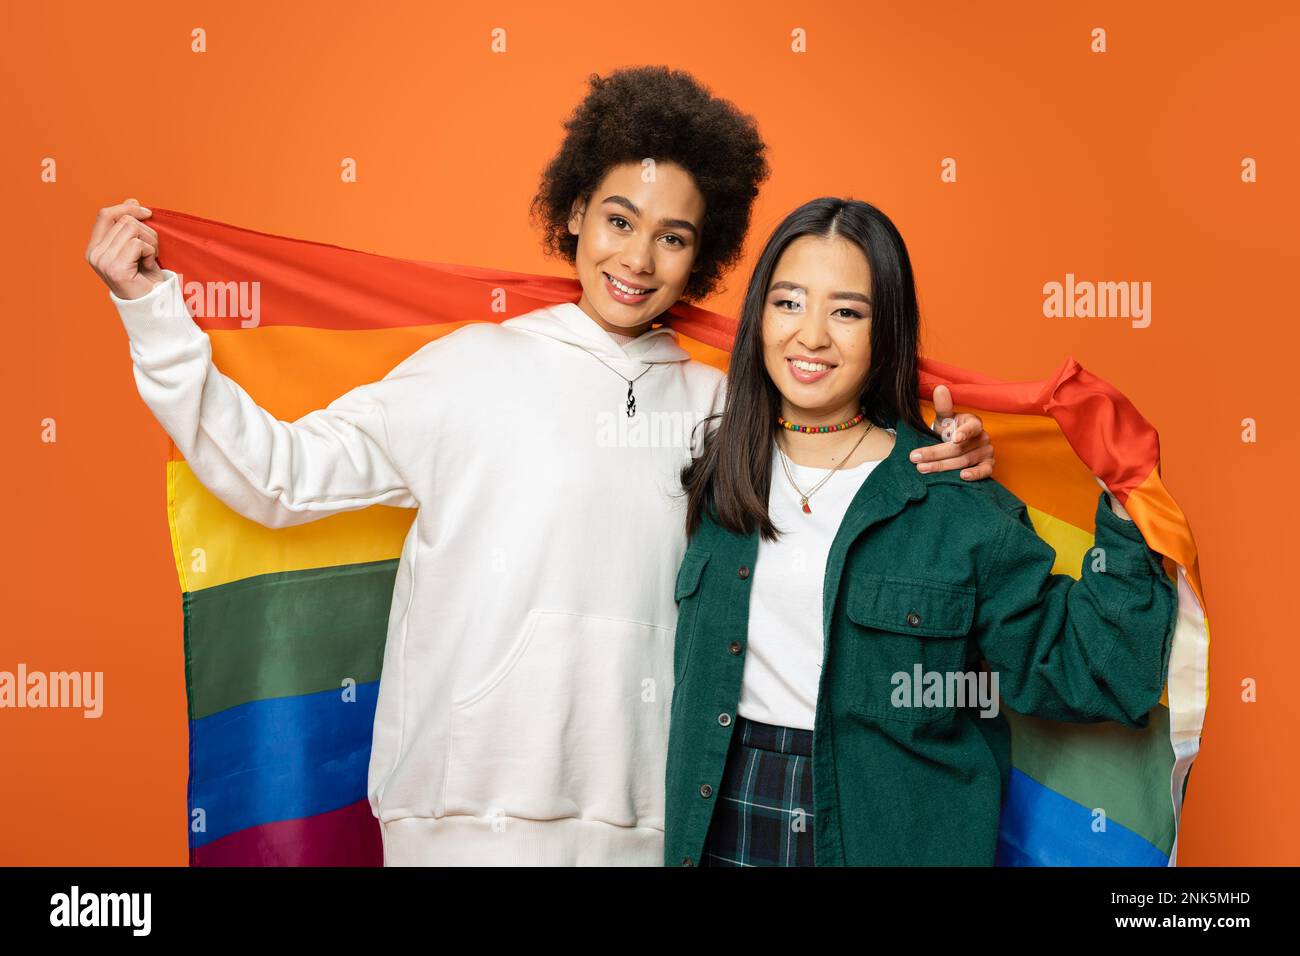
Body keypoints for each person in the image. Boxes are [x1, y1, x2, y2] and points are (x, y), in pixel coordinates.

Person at [85, 68, 994, 866]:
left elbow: (843, 476)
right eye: (619, 220)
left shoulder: (727, 411)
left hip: (649, 824)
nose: (637, 258)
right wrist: (153, 314)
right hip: (457, 816)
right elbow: (277, 476)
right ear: (573, 215)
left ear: (704, 257)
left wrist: (952, 452)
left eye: (673, 237)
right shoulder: (467, 369)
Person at [665, 197, 1178, 867]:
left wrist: (1126, 499)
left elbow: (1096, 672)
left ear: (886, 331)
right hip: (723, 818)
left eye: (847, 312)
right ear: (758, 315)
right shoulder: (708, 468)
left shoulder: (954, 500)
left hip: (893, 833)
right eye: (788, 303)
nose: (811, 336)